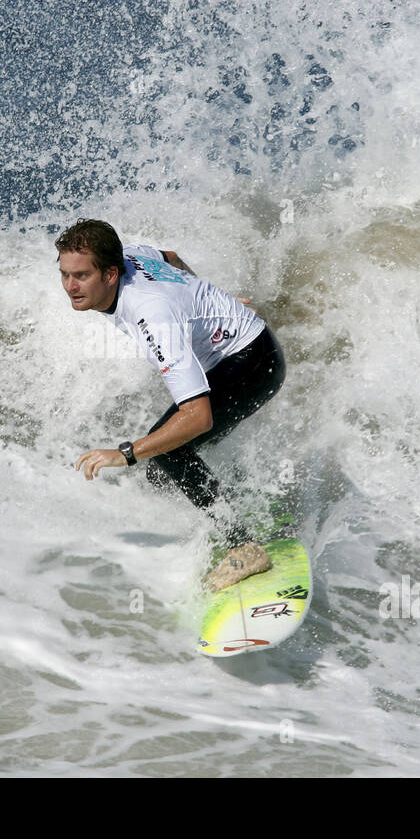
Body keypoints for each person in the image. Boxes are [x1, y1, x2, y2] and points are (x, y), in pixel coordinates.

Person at [56, 218, 286, 588]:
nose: (70, 286)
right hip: (237, 347)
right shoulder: (126, 255)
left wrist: (126, 453)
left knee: (165, 451)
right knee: (162, 468)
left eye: (81, 276)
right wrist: (217, 302)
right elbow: (172, 257)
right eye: (65, 274)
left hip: (254, 363)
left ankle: (244, 547)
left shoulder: (152, 316)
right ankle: (232, 502)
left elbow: (198, 417)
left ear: (111, 274)